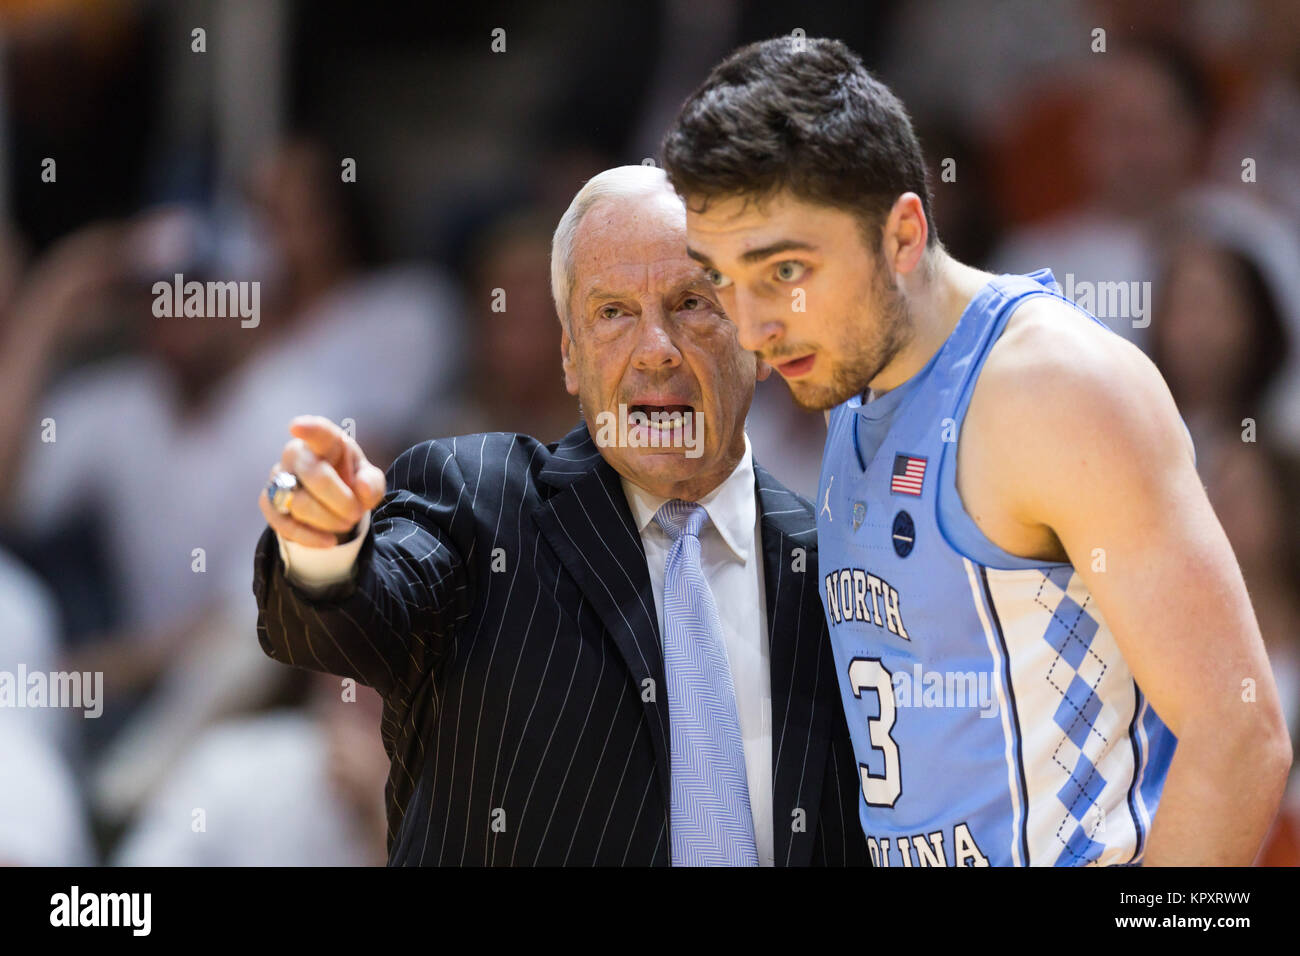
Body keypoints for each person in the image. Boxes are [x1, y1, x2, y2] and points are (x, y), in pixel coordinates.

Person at [662, 37, 1291, 866]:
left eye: (784, 270)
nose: (752, 326)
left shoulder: (1052, 389)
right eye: (723, 280)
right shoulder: (851, 388)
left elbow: (1239, 736)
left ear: (903, 235)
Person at [251, 165, 868, 867]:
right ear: (571, 356)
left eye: (693, 302)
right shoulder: (475, 503)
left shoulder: (834, 567)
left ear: (759, 336)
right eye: (613, 313)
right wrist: (328, 546)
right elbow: (360, 612)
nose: (655, 349)